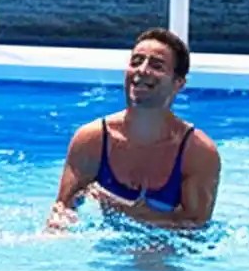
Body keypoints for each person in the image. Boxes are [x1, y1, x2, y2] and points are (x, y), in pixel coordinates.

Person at [47, 28, 222, 231]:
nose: (142, 70)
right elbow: (62, 211)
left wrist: (124, 210)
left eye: (156, 65)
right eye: (136, 62)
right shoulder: (92, 140)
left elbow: (195, 228)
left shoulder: (197, 152)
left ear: (178, 83)